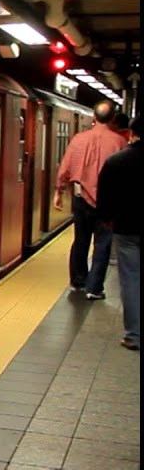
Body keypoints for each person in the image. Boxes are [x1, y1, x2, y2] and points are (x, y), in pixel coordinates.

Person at [54, 100, 127, 300]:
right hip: (108, 201)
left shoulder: (79, 139)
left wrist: (58, 191)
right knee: (103, 243)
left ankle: (78, 281)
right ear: (112, 119)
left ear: (94, 117)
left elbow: (66, 166)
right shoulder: (119, 142)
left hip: (81, 198)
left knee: (81, 240)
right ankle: (94, 288)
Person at [96, 115, 141, 350]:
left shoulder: (116, 161)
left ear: (132, 133)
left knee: (131, 279)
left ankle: (134, 335)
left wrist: (108, 220)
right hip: (126, 227)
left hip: (127, 229)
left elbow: (104, 197)